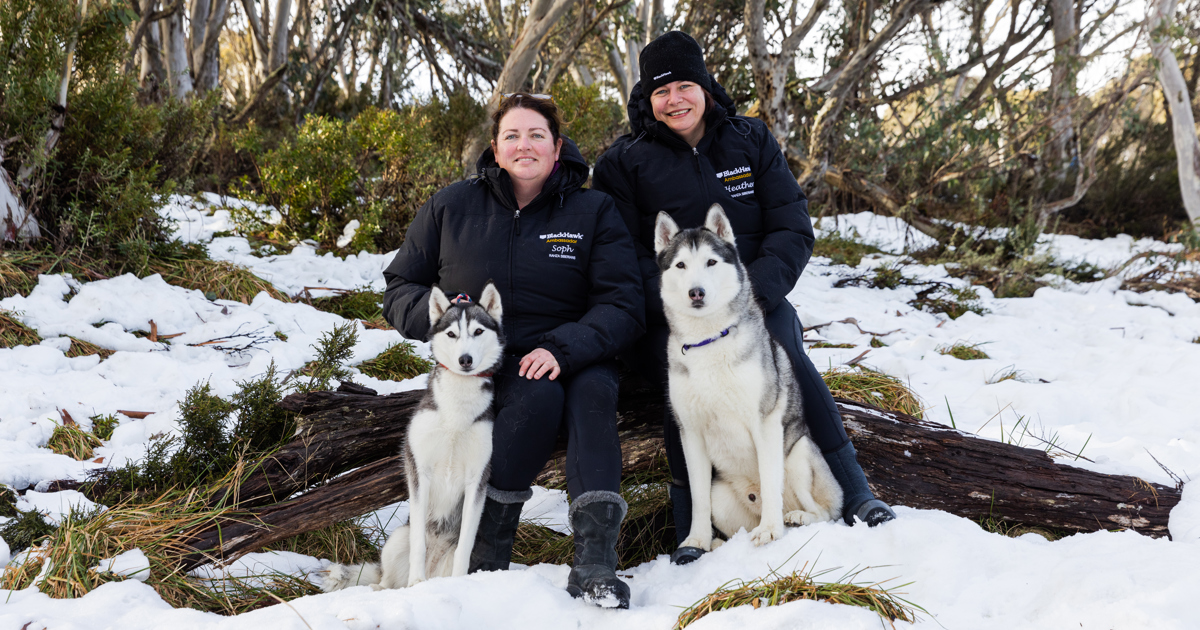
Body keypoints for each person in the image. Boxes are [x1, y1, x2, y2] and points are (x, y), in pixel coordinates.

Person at [592, 31, 896, 563]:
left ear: (706, 86)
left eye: (686, 85)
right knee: (678, 382)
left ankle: (856, 490)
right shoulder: (624, 161)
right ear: (647, 97)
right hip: (669, 312)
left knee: (788, 355)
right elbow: (619, 253)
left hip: (754, 301)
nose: (675, 100)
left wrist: (748, 295)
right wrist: (674, 304)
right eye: (662, 92)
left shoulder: (750, 139)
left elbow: (791, 226)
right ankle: (693, 525)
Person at [382, 93, 644, 608]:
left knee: (591, 400)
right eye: (512, 136)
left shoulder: (594, 210)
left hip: (579, 354)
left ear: (558, 146)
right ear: (496, 150)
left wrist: (562, 349)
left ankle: (595, 563)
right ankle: (486, 551)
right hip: (481, 366)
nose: (524, 145)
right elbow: (398, 289)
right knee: (536, 401)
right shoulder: (451, 206)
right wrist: (442, 325)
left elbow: (624, 303)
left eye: (536, 135)